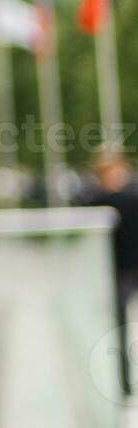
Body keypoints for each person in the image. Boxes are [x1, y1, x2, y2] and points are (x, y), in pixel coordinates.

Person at [80, 152, 138, 396]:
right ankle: (124, 383)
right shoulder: (99, 203)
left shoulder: (129, 198)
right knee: (119, 328)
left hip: (130, 269)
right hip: (118, 273)